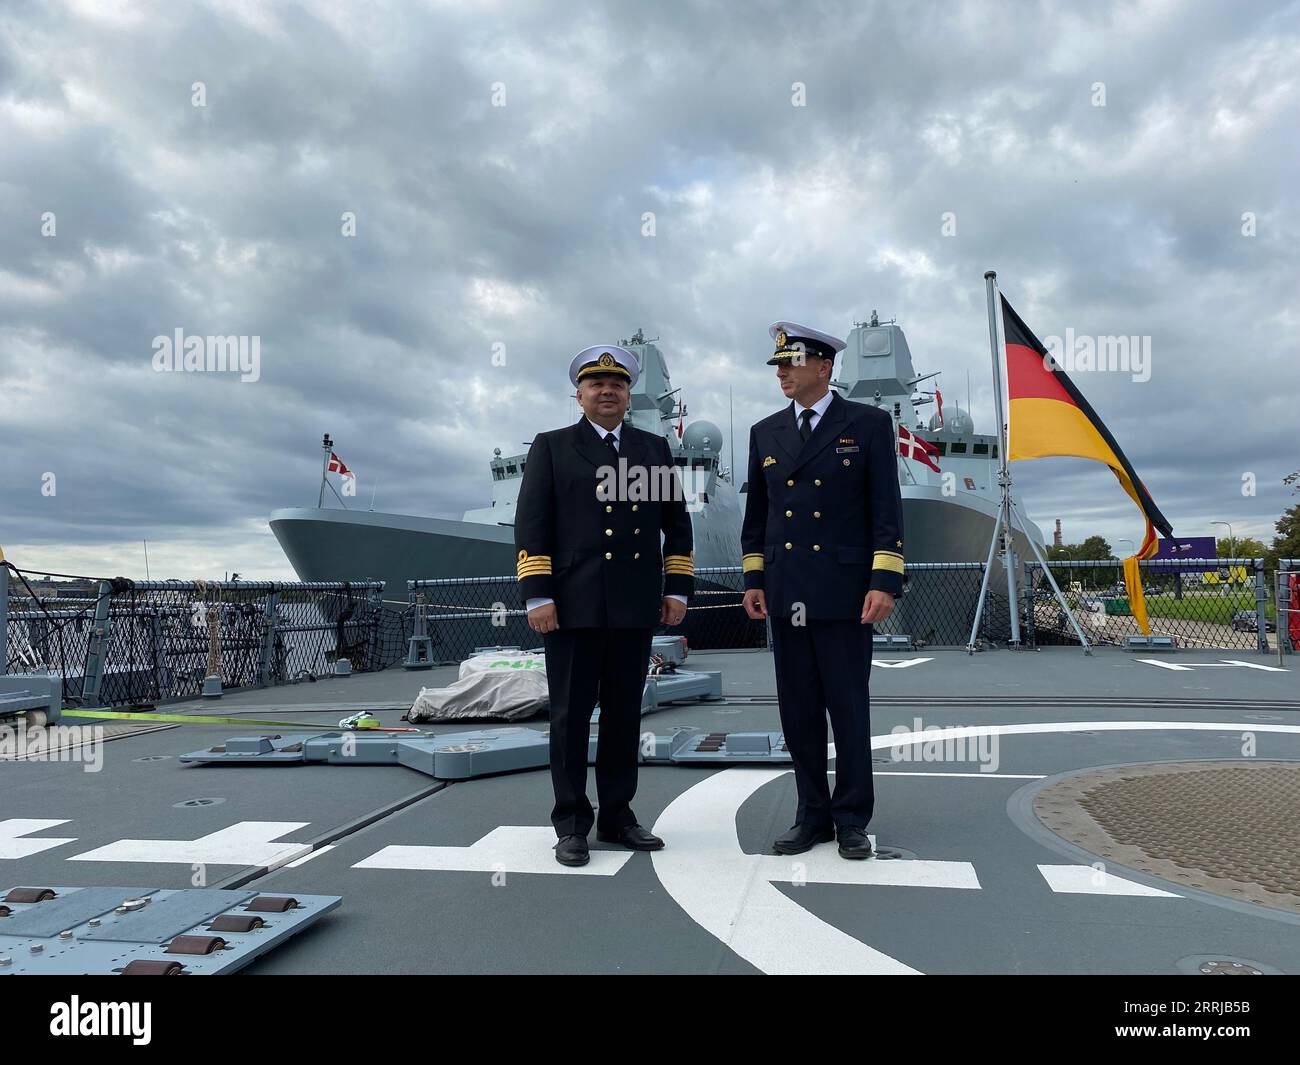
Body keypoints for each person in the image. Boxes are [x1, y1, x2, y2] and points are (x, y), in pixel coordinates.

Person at [515, 344, 694, 867]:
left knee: (623, 717)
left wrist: (676, 589)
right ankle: (571, 823)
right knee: (570, 717)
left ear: (627, 393)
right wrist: (539, 595)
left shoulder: (653, 449)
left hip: (634, 606)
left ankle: (618, 816)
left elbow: (674, 524)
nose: (606, 392)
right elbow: (533, 526)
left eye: (616, 385)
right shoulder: (552, 448)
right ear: (579, 394)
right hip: (572, 606)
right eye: (596, 385)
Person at [740, 321, 904, 859]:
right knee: (799, 710)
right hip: (788, 592)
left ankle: (851, 817)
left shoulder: (869, 424)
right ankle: (811, 814)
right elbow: (757, 516)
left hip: (844, 591)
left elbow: (886, 511)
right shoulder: (765, 432)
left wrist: (884, 582)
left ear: (824, 367)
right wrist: (754, 578)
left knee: (848, 708)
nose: (782, 373)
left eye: (791, 363)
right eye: (778, 365)